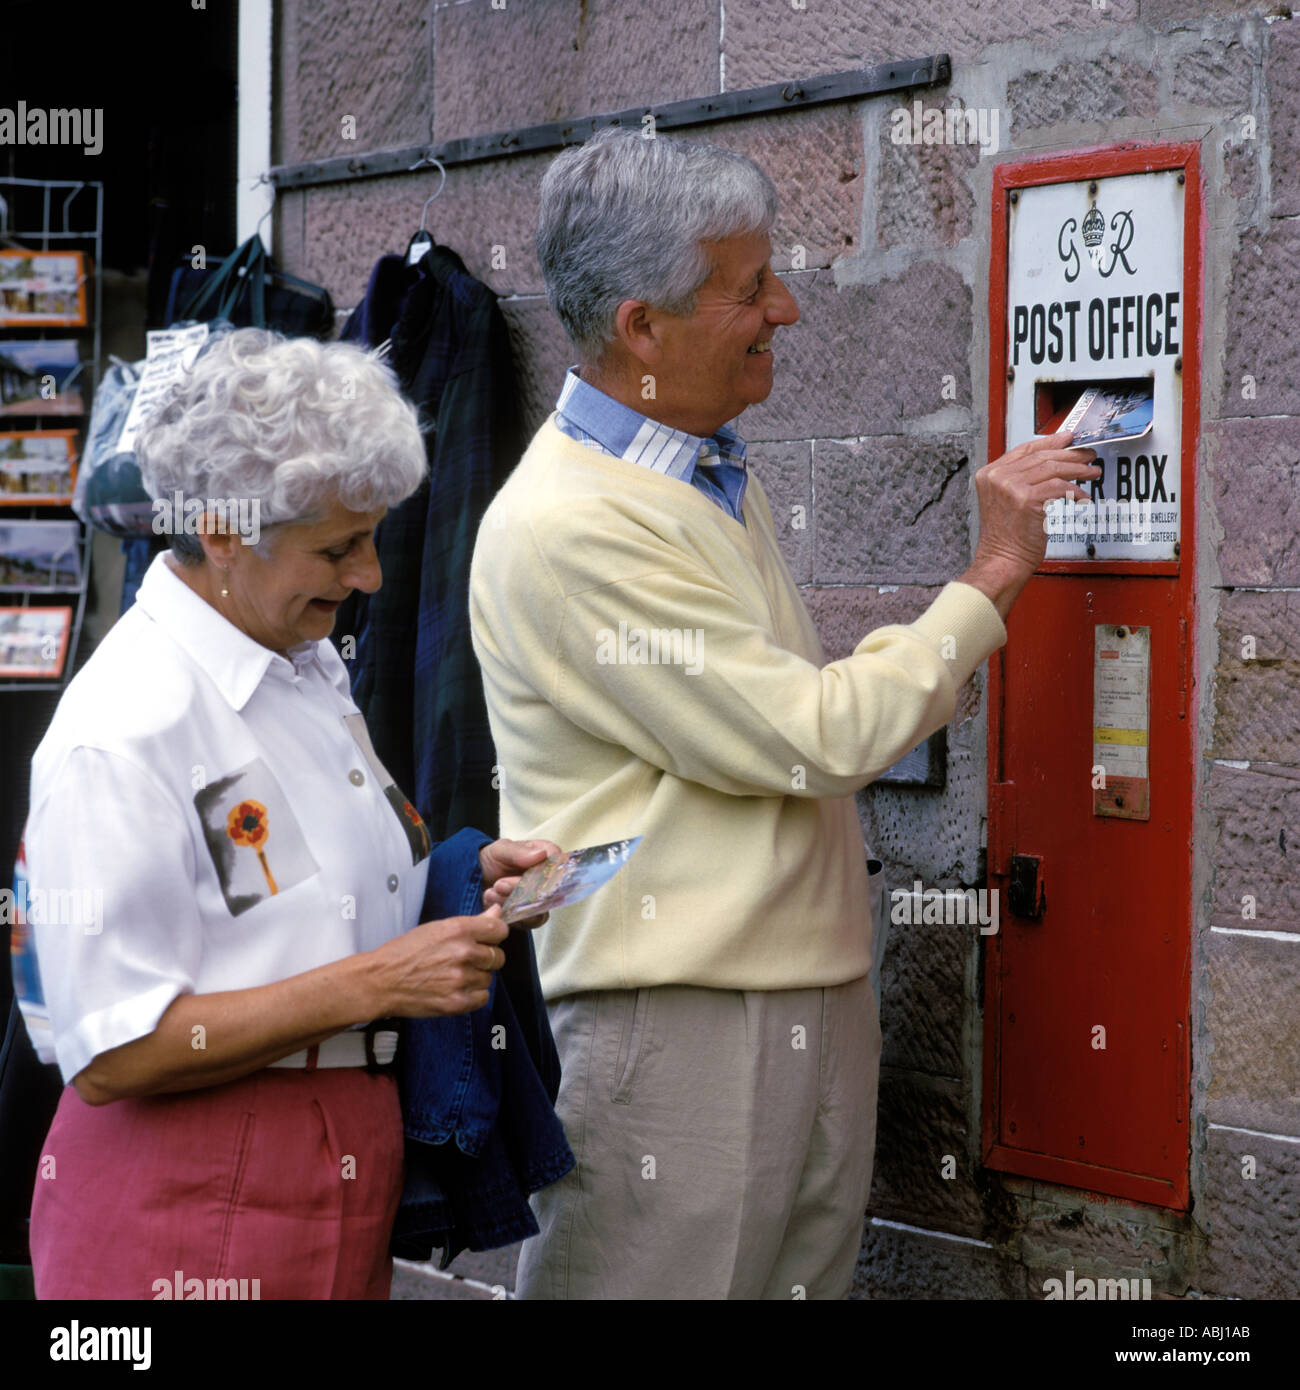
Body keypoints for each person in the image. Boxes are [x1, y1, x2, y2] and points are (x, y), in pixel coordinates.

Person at [468, 127, 1101, 1299]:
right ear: (640, 327)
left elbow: (776, 720)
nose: (787, 309)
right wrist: (992, 573)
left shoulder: (697, 469)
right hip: (680, 1013)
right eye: (748, 286)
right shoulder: (573, 522)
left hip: (779, 988)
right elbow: (810, 736)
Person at [23, 328, 555, 1300]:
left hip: (323, 1160)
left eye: (375, 536)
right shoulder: (123, 727)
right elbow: (111, 1050)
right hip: (185, 1188)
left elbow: (288, 907)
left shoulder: (295, 661)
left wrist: (443, 888)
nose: (373, 576)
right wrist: (376, 979)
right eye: (338, 547)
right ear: (222, 531)